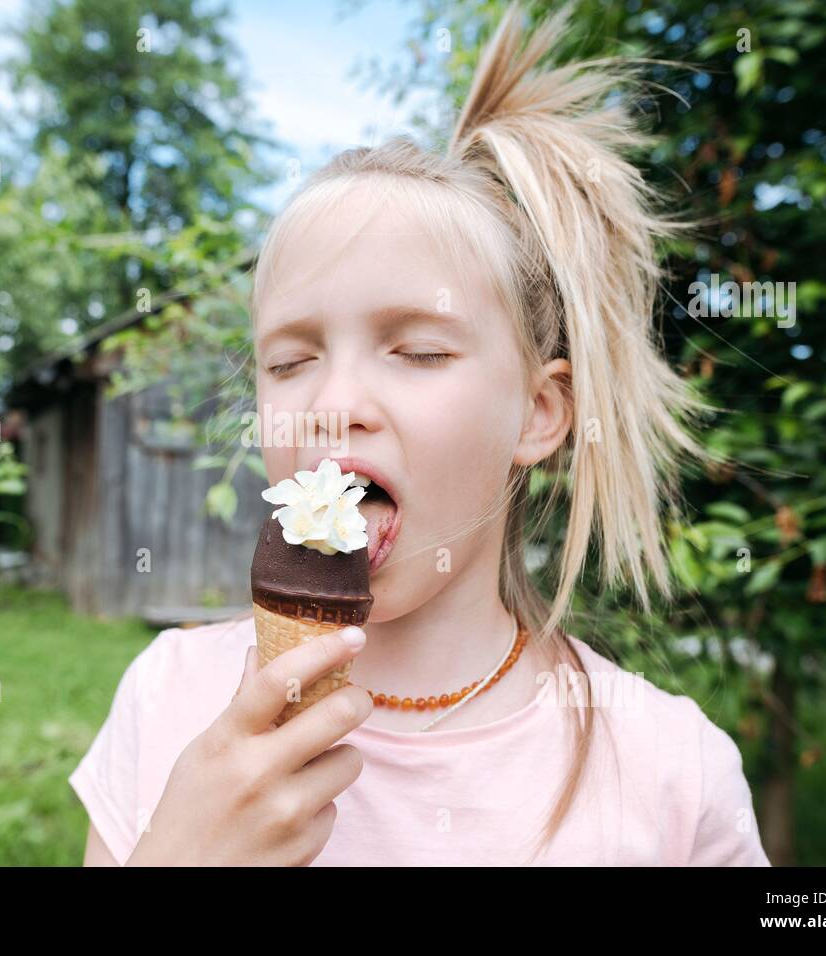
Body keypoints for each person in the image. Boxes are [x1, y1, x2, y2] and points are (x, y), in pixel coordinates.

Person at [70, 0, 771, 867]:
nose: (334, 399)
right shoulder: (167, 698)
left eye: (418, 350)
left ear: (539, 413)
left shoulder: (672, 773)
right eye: (290, 362)